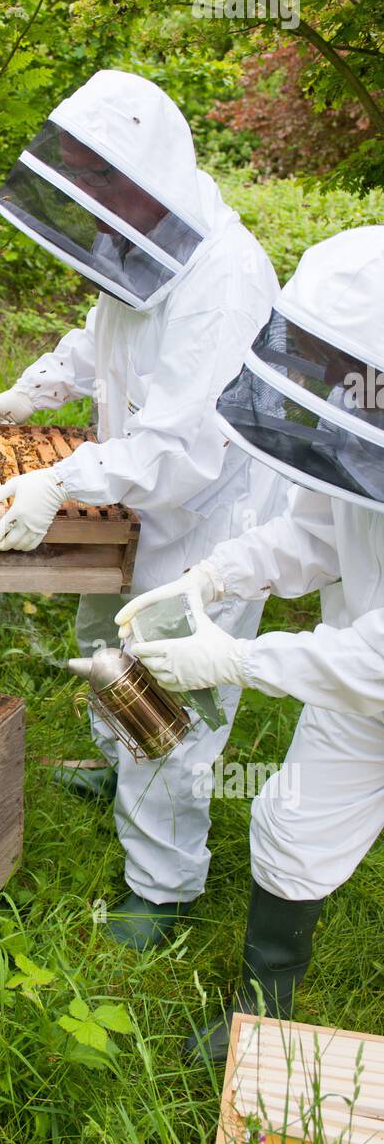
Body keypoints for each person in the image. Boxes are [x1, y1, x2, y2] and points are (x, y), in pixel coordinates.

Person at [0, 68, 285, 950]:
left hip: (211, 520)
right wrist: (29, 396)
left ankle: (163, 889)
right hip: (134, 499)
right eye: (73, 173)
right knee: (99, 646)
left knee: (169, 702)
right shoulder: (142, 244)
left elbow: (180, 452)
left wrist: (61, 480)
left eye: (96, 175)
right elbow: (100, 341)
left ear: (145, 174)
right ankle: (115, 774)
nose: (86, 197)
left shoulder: (223, 280)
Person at [117, 226, 384, 1062]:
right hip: (351, 660)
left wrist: (239, 659)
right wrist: (217, 575)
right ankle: (261, 1003)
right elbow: (322, 527)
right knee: (293, 816)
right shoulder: (358, 416)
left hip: (364, 659)